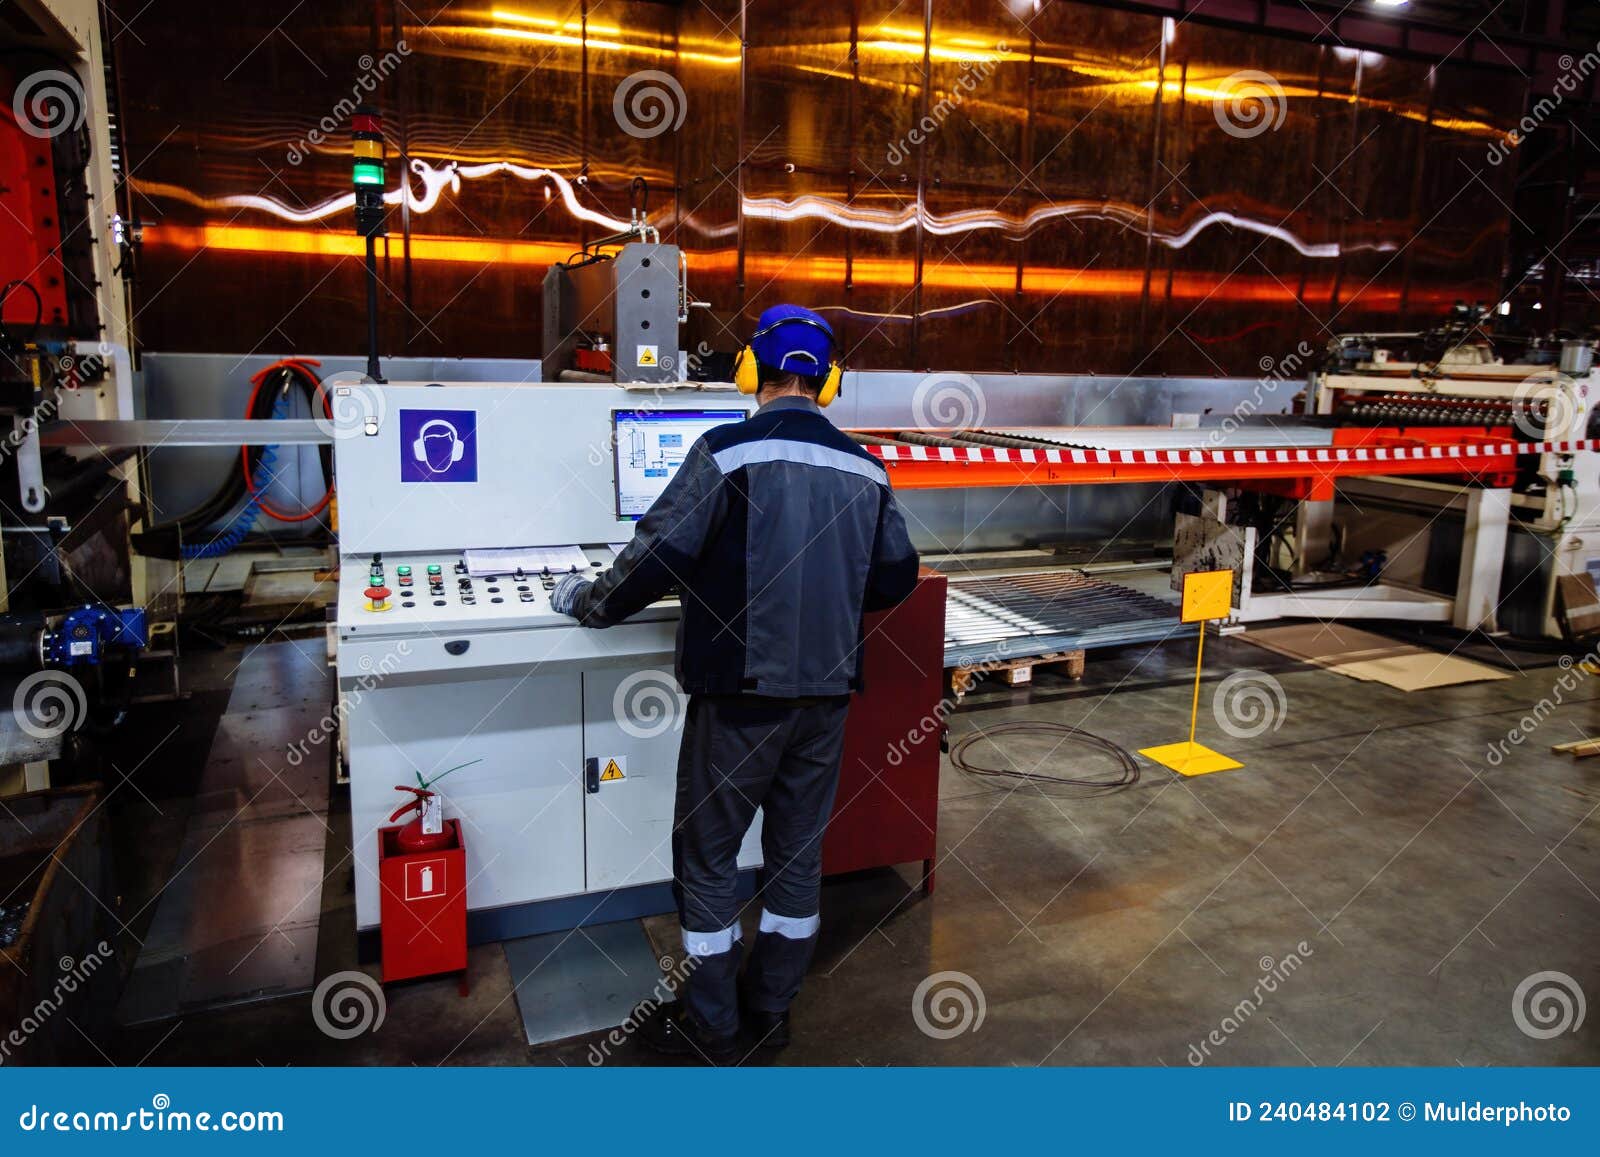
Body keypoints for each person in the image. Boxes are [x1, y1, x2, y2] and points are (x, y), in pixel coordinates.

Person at [551, 304, 920, 1062]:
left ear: (751, 369)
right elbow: (895, 575)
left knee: (711, 857)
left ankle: (714, 1022)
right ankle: (772, 1010)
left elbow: (653, 560)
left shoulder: (723, 453)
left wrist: (587, 600)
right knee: (796, 855)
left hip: (738, 702)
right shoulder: (867, 467)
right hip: (825, 699)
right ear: (828, 380)